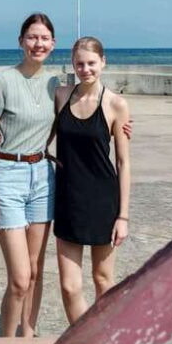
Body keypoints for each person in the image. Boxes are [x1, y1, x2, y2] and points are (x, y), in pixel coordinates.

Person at [0, 13, 59, 337]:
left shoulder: (56, 83)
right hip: (6, 175)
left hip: (42, 175)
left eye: (44, 38)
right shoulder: (2, 81)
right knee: (19, 278)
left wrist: (120, 122)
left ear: (53, 44)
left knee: (37, 271)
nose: (38, 43)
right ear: (21, 41)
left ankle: (28, 337)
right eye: (32, 37)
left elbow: (86, 107)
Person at [53, 36, 131, 324]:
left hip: (103, 201)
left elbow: (123, 162)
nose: (85, 69)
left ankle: (102, 338)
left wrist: (123, 216)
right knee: (70, 286)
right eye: (79, 64)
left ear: (103, 62)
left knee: (103, 279)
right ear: (72, 65)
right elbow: (40, 134)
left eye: (91, 63)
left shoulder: (116, 104)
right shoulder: (61, 96)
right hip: (68, 199)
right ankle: (81, 339)